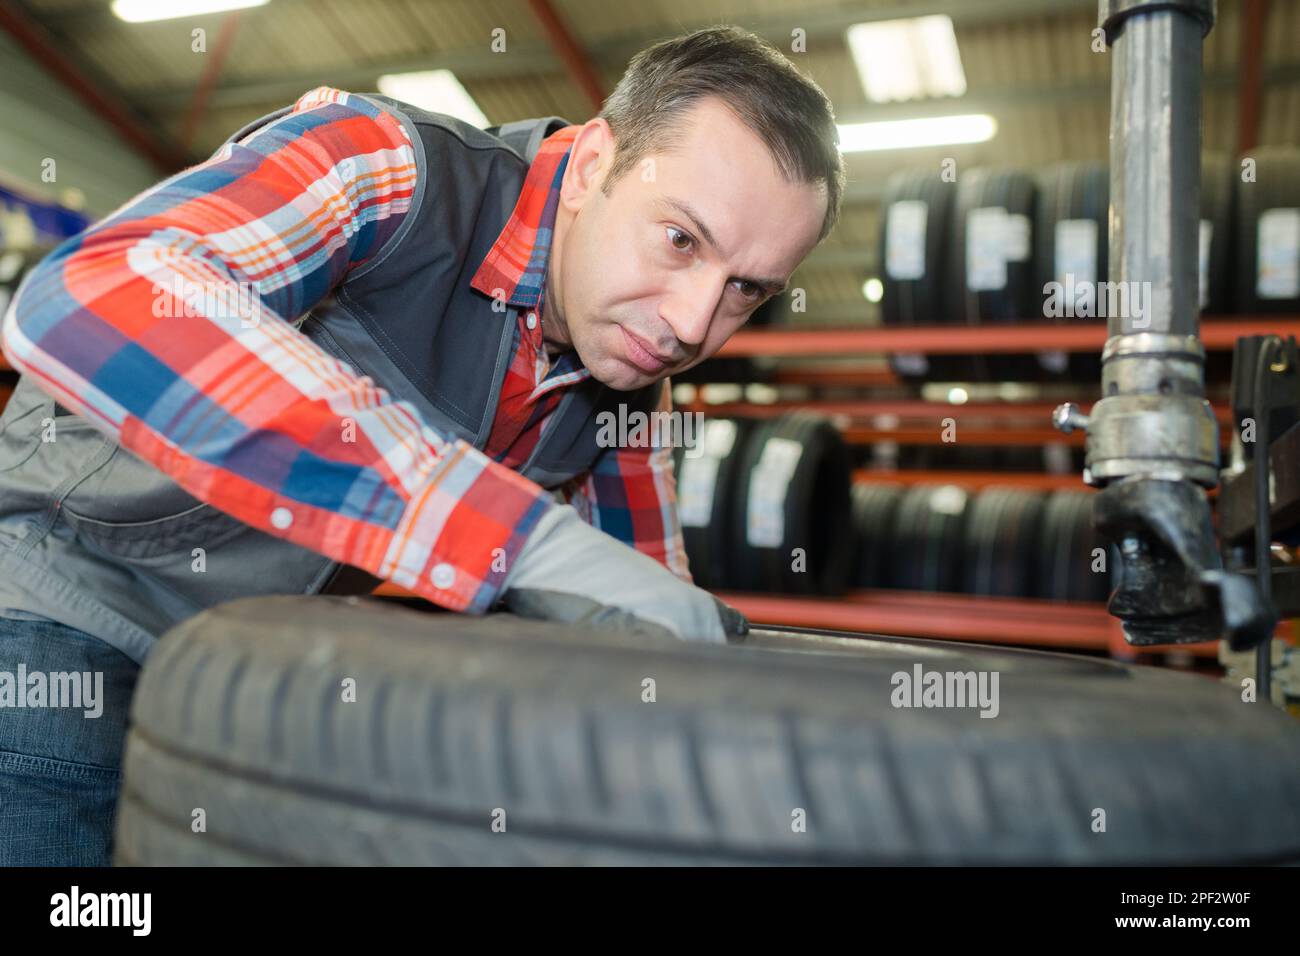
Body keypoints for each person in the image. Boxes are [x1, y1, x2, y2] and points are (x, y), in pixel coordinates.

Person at [0, 25, 843, 865]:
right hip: (58, 607)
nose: (693, 322)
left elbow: (648, 609)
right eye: (681, 240)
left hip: (247, 665)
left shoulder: (626, 372)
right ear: (593, 167)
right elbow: (94, 293)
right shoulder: (385, 165)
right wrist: (515, 540)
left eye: (745, 291)